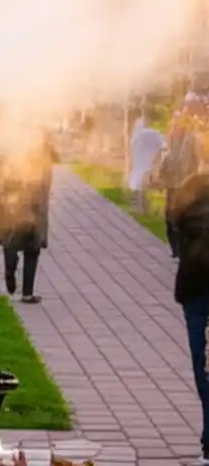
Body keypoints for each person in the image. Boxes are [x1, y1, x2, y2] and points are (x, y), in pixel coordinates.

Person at [157, 80, 209, 464]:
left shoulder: (192, 188)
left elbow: (173, 223)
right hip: (195, 283)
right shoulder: (193, 185)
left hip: (195, 283)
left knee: (200, 362)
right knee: (201, 363)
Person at [0, 137, 55, 304]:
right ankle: (27, 293)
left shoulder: (10, 147)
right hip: (32, 207)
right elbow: (44, 186)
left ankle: (10, 266)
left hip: (11, 207)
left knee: (11, 239)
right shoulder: (42, 157)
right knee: (32, 250)